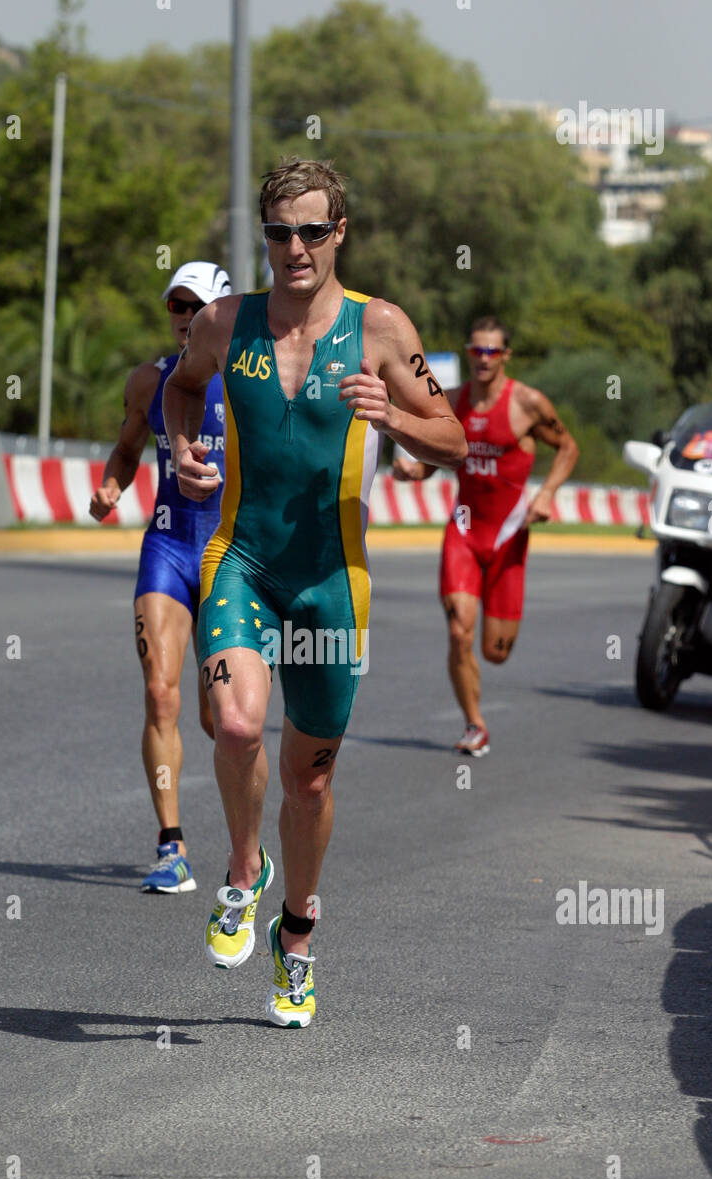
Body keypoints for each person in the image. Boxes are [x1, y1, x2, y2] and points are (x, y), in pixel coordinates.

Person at [163, 158, 467, 1027]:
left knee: (311, 781)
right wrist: (185, 449)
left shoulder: (382, 329)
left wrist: (395, 416)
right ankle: (242, 867)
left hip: (334, 578)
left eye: (311, 232)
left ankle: (296, 934)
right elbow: (183, 393)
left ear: (340, 233)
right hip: (242, 558)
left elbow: (453, 437)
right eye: (277, 233)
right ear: (262, 237)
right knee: (235, 723)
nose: (293, 248)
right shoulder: (225, 322)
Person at [89, 262, 232, 892]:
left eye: (195, 306)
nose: (183, 316)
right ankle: (171, 845)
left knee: (220, 717)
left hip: (230, 554)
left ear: (220, 313)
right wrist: (112, 485)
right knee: (159, 693)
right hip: (169, 546)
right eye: (175, 305)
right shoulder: (150, 380)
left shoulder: (251, 380)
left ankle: (247, 841)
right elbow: (126, 446)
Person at [394, 316, 578, 757]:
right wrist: (413, 470)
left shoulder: (528, 404)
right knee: (459, 631)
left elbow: (568, 447)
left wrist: (547, 493)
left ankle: (485, 675)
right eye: (476, 350)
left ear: (506, 356)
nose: (483, 358)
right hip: (463, 530)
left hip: (509, 537)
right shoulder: (452, 401)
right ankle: (475, 724)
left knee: (495, 651)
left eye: (492, 351)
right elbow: (436, 455)